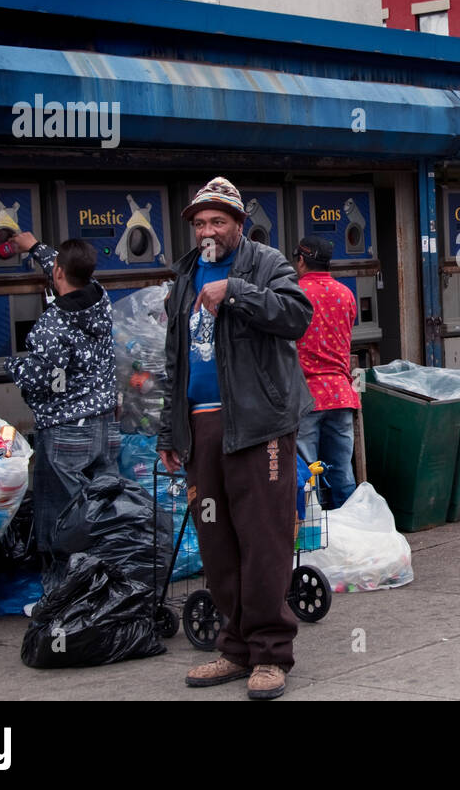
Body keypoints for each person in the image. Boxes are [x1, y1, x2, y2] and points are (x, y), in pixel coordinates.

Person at [158, 177, 315, 700]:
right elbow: (174, 361)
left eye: (217, 221)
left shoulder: (266, 264)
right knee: (217, 543)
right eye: (200, 222)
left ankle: (271, 653)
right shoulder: (184, 278)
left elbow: (297, 317)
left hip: (259, 424)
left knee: (264, 541)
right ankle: (235, 647)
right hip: (201, 427)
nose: (207, 230)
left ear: (238, 225)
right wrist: (169, 430)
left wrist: (237, 293)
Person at [2, 233, 118, 571]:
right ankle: (103, 588)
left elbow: (42, 381)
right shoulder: (101, 298)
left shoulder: (51, 325)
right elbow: (71, 266)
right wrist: (36, 248)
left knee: (61, 523)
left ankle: (61, 597)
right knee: (101, 513)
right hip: (105, 427)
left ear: (58, 274)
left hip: (66, 432)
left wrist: (13, 365)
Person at [293, 235, 359, 509]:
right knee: (342, 472)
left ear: (300, 260)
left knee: (309, 475)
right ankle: (352, 531)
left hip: (306, 396)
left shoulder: (293, 293)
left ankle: (315, 537)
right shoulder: (346, 294)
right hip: (341, 396)